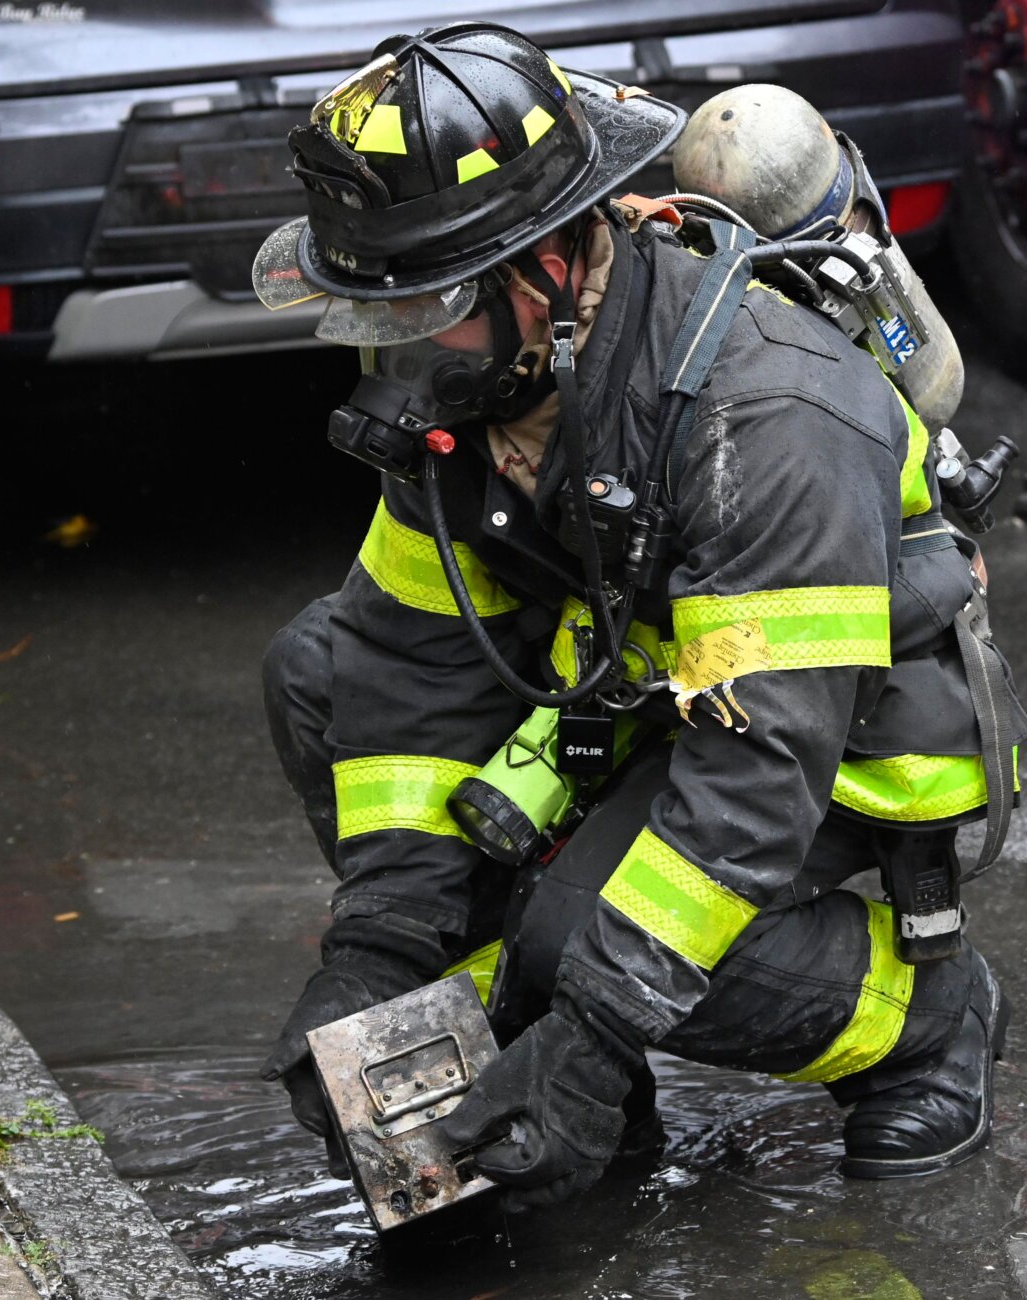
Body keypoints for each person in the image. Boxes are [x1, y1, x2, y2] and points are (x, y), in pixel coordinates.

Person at [255, 20, 1026, 1213]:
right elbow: (397, 664)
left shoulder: (763, 410)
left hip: (840, 731)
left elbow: (759, 769)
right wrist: (380, 947)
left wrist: (597, 1037)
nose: (403, 347)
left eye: (431, 304)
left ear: (550, 262)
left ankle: (927, 1018)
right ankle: (515, 1057)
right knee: (311, 671)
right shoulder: (485, 386)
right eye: (384, 309)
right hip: (655, 688)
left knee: (582, 932)